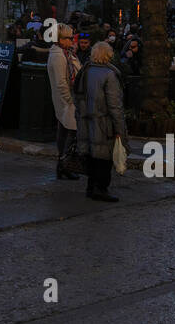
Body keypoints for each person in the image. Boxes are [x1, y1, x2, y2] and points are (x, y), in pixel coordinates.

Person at [74, 41, 126, 202]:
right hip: (103, 123)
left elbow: (76, 95)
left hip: (85, 120)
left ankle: (91, 187)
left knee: (91, 154)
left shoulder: (85, 70)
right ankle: (100, 188)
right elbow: (114, 105)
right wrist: (120, 128)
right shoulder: (110, 75)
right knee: (104, 157)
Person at [46, 24, 81, 181]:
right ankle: (64, 164)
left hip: (67, 100)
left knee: (65, 131)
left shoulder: (65, 53)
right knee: (69, 132)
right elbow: (61, 82)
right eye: (69, 38)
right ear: (61, 39)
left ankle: (63, 165)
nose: (72, 40)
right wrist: (69, 99)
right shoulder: (59, 56)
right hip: (66, 101)